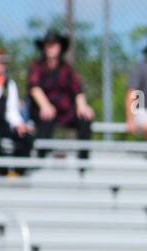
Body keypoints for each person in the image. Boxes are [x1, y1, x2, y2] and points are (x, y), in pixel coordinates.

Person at [27, 29, 95, 157]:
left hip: (65, 111)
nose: (51, 47)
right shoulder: (37, 67)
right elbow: (34, 88)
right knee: (46, 118)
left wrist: (82, 106)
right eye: (48, 44)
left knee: (85, 119)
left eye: (54, 44)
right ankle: (41, 158)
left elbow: (77, 89)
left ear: (60, 47)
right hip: (43, 111)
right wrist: (45, 106)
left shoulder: (66, 68)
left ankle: (83, 160)